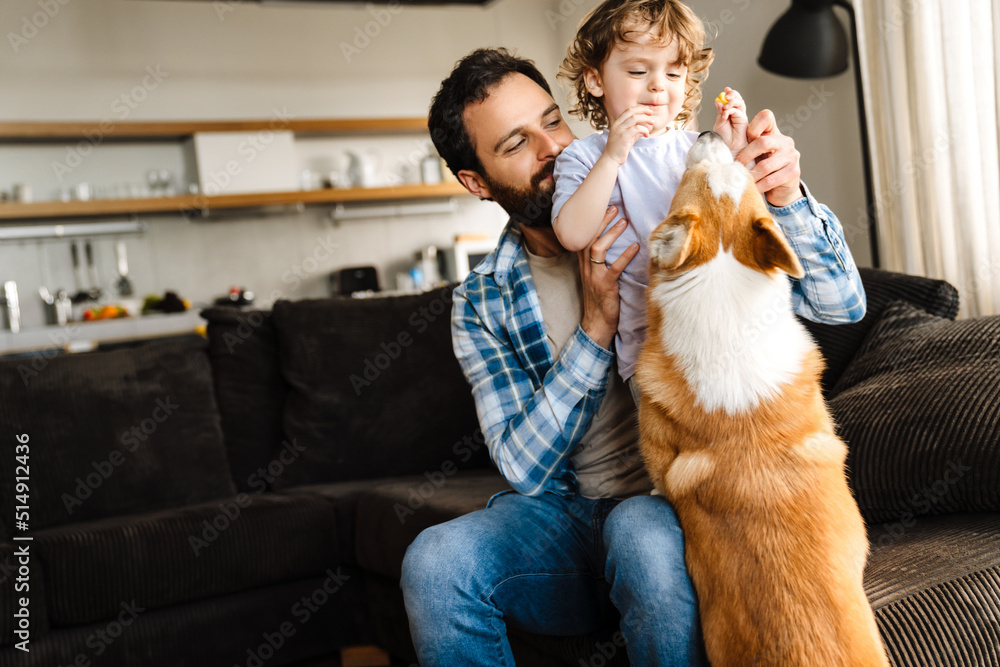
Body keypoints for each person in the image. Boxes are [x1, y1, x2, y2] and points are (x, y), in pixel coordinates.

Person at [399, 42, 866, 667]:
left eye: (553, 120)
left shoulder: (665, 198)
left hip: (665, 506)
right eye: (516, 145)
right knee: (433, 561)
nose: (554, 149)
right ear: (476, 182)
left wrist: (784, 200)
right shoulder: (483, 301)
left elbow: (840, 305)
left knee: (640, 533)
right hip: (562, 521)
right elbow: (523, 468)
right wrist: (596, 328)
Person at [552, 0, 748, 399]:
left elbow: (734, 219)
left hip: (720, 331)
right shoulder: (586, 157)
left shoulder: (696, 145)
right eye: (639, 71)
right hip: (650, 347)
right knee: (672, 454)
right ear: (595, 80)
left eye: (674, 72)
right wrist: (612, 156)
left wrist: (731, 148)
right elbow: (572, 235)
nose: (659, 84)